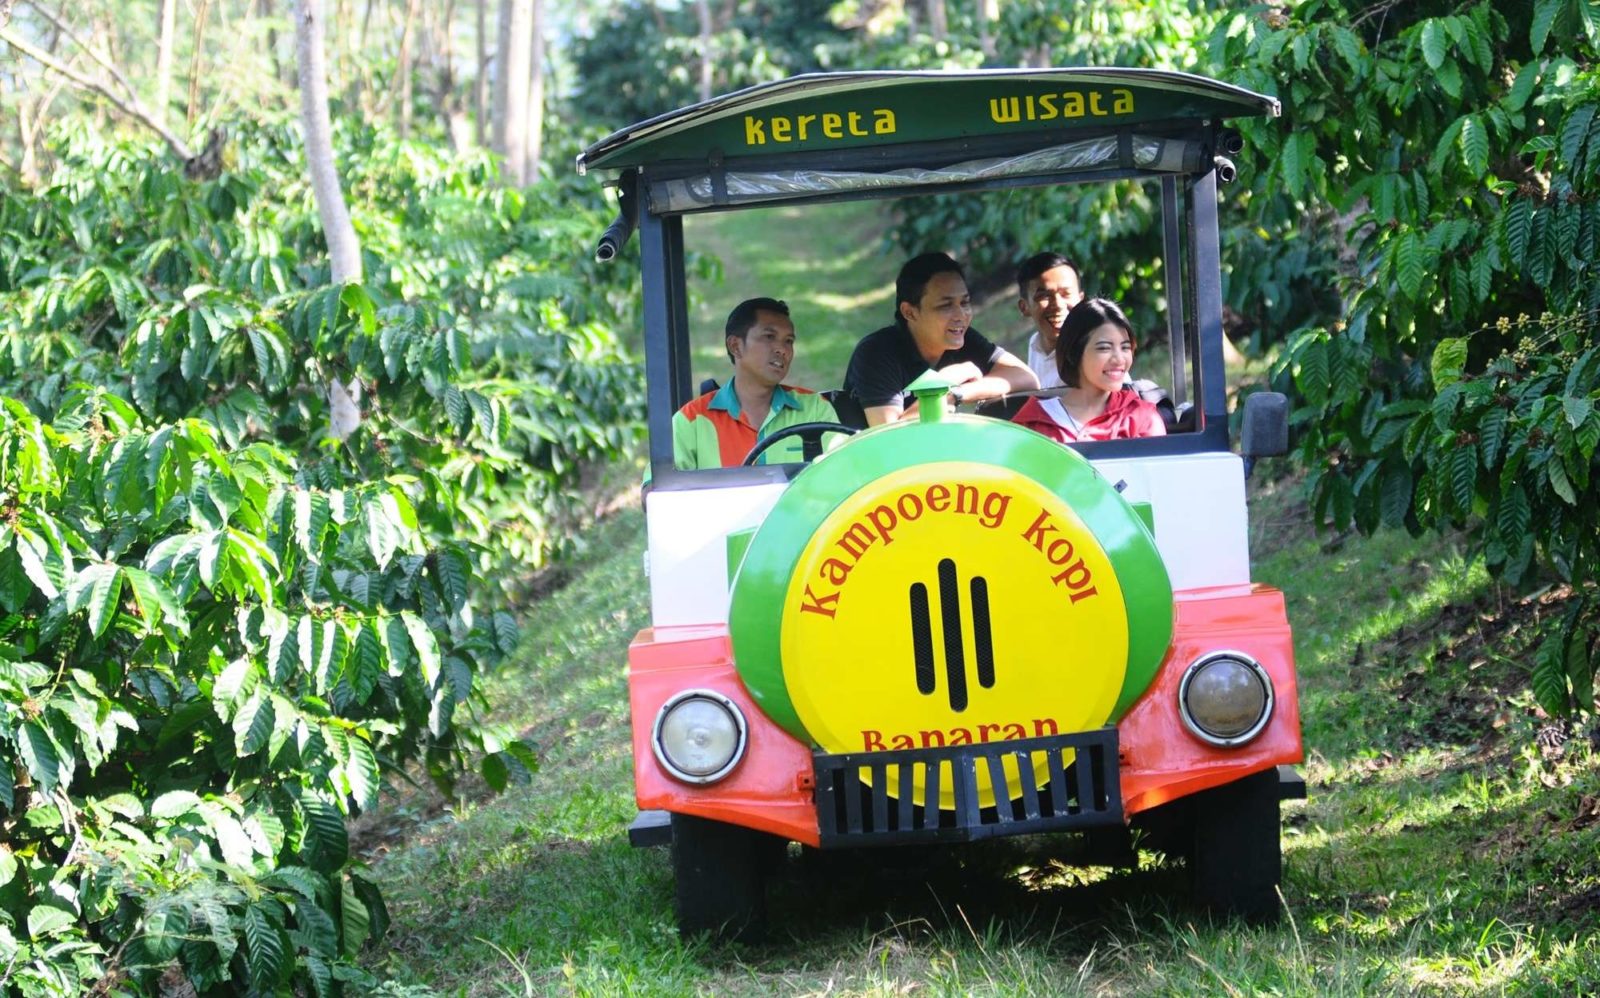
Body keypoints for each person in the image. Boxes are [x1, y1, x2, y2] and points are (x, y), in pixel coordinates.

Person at [843, 252, 1038, 426]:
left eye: (965, 302)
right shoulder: (876, 353)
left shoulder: (960, 335)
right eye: (945, 306)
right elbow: (888, 439)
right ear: (909, 312)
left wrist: (956, 393)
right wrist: (944, 382)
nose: (960, 315)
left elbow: (1026, 377)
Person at [672, 297, 841, 469]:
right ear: (735, 346)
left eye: (788, 341)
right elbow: (663, 491)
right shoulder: (690, 421)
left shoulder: (815, 409)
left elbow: (843, 473)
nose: (782, 349)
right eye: (769, 337)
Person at [1012, 297, 1167, 443]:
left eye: (1125, 347)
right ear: (1074, 353)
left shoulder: (1141, 418)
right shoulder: (1033, 423)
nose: (1119, 359)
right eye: (1104, 348)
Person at [1014, 251, 1084, 389]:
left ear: (1081, 300)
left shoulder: (1094, 351)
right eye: (1044, 296)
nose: (1058, 305)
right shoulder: (1036, 344)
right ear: (1024, 307)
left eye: (1066, 294)